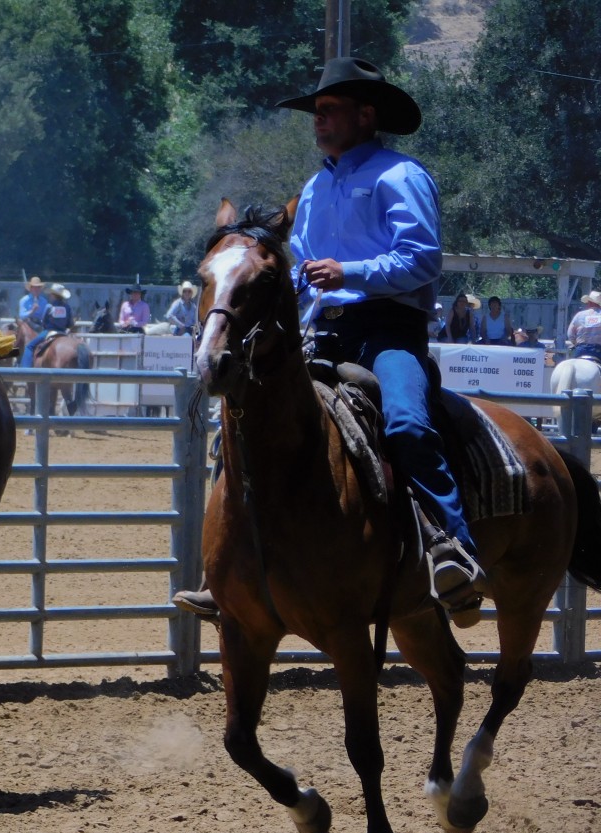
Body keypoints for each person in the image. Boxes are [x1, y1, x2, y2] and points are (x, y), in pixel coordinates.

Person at [175, 56, 485, 625]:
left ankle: (451, 546)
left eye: (327, 111)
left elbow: (421, 259)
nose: (317, 121)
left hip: (389, 331)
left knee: (407, 423)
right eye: (315, 112)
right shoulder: (316, 186)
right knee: (243, 424)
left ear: (365, 116)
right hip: (325, 334)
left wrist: (351, 272)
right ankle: (227, 568)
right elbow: (301, 269)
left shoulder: (401, 175)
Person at [21, 283, 73, 366]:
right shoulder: (67, 307)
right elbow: (70, 323)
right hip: (63, 332)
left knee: (29, 346)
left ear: (54, 295)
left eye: (50, 294)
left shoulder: (49, 306)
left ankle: (24, 371)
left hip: (49, 331)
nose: (49, 296)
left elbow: (43, 321)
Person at [566, 290, 601, 360]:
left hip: (581, 349)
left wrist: (576, 344)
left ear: (590, 303)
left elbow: (570, 334)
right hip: (598, 350)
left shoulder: (579, 315)